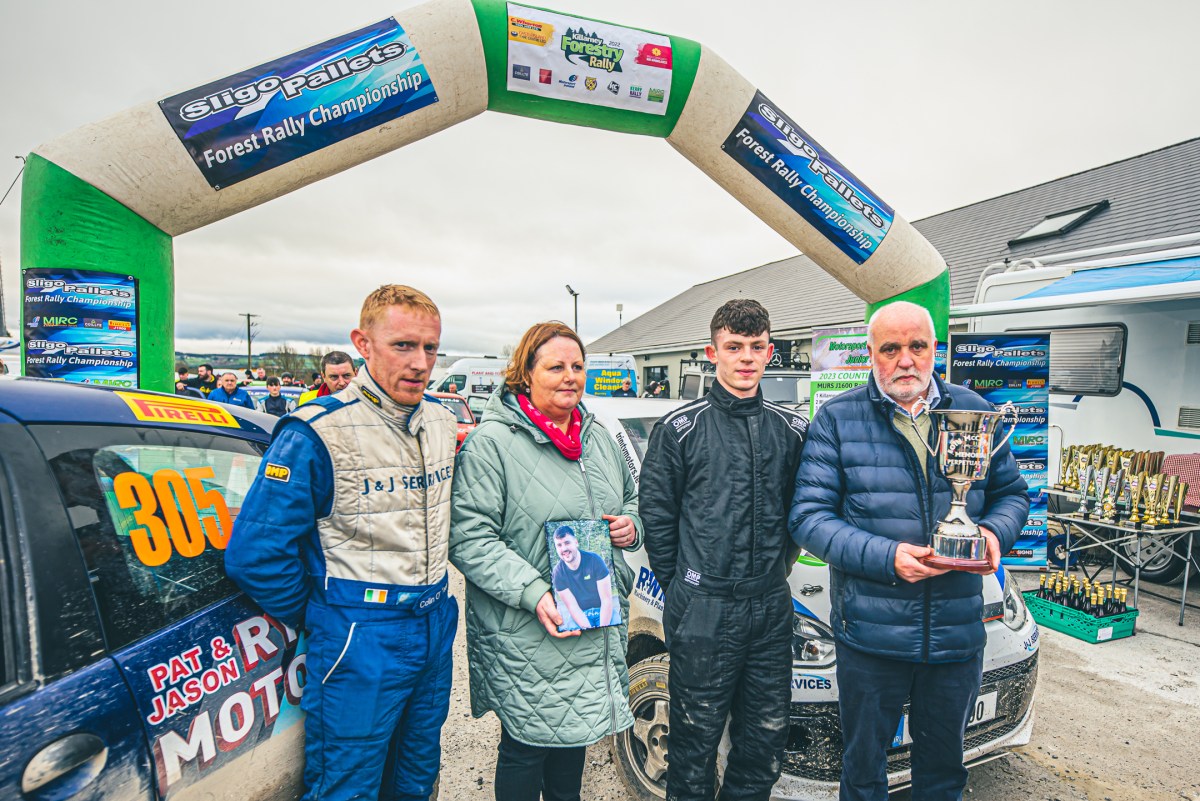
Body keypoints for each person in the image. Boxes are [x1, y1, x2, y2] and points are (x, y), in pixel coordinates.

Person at [225, 284, 458, 801]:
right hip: (360, 628)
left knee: (417, 778)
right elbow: (256, 556)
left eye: (431, 348)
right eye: (403, 345)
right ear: (363, 343)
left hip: (434, 619)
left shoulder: (442, 421)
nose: (421, 362)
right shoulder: (315, 431)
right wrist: (324, 614)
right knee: (346, 787)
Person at [789, 301, 1029, 801]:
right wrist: (886, 556)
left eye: (917, 346)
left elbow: (1012, 496)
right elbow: (808, 519)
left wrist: (993, 535)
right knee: (863, 773)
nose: (905, 360)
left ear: (934, 349)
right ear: (871, 355)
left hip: (956, 636)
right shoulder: (837, 419)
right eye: (891, 348)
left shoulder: (974, 411)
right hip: (871, 640)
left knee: (943, 773)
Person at [449, 321, 641, 801]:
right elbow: (470, 538)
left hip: (589, 617)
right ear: (525, 374)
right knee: (526, 745)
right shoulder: (492, 443)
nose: (570, 376)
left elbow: (634, 497)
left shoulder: (596, 437)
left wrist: (630, 525)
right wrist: (536, 594)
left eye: (578, 366)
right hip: (530, 627)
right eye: (555, 366)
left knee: (572, 741)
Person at [639, 298, 807, 801]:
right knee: (693, 746)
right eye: (734, 347)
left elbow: (799, 517)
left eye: (756, 347)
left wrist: (775, 571)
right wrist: (685, 588)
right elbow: (658, 519)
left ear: (770, 352)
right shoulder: (679, 430)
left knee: (764, 743)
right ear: (713, 353)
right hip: (704, 609)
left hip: (770, 606)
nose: (746, 358)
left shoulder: (791, 430)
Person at [550, 524, 615, 630]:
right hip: (581, 615)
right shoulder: (557, 573)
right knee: (571, 633)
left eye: (567, 542)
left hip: (602, 609)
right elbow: (573, 607)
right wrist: (588, 631)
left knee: (613, 630)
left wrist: (602, 629)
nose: (564, 549)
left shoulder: (595, 560)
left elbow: (606, 600)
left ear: (576, 542)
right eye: (559, 545)